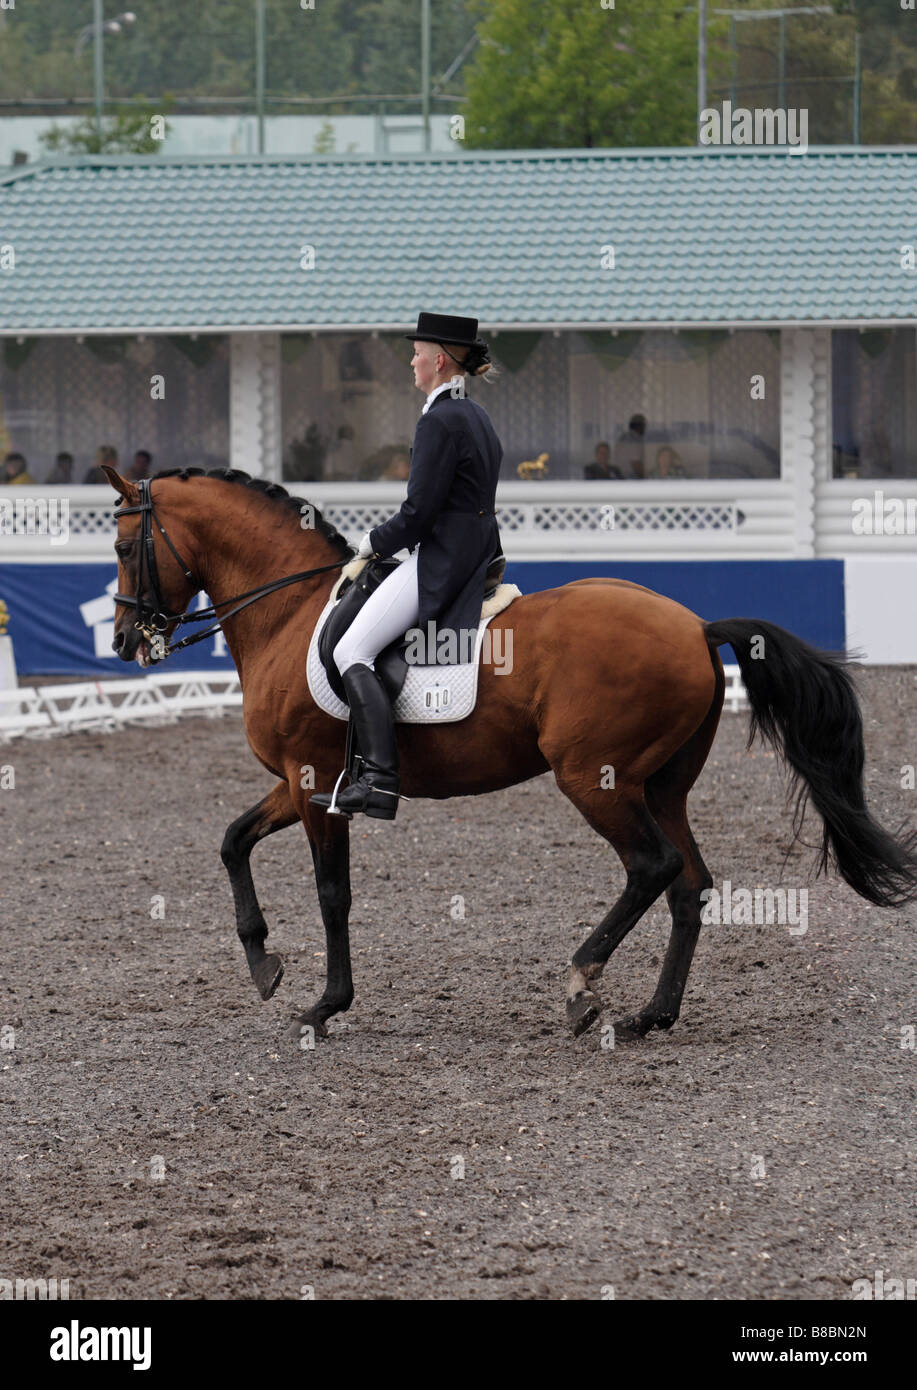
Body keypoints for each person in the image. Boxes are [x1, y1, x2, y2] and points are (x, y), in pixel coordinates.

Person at [311, 311, 502, 823]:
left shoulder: (440, 419)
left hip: (442, 561)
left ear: (438, 361)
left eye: (417, 354)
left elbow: (419, 513)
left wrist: (370, 543)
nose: (411, 362)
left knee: (352, 649)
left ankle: (378, 779)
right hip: (476, 551)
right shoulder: (476, 415)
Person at [616, 413, 647, 478]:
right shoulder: (633, 439)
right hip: (630, 479)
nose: (645, 428)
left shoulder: (624, 437)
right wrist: (644, 479)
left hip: (621, 477)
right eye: (644, 425)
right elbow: (636, 463)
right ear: (638, 426)